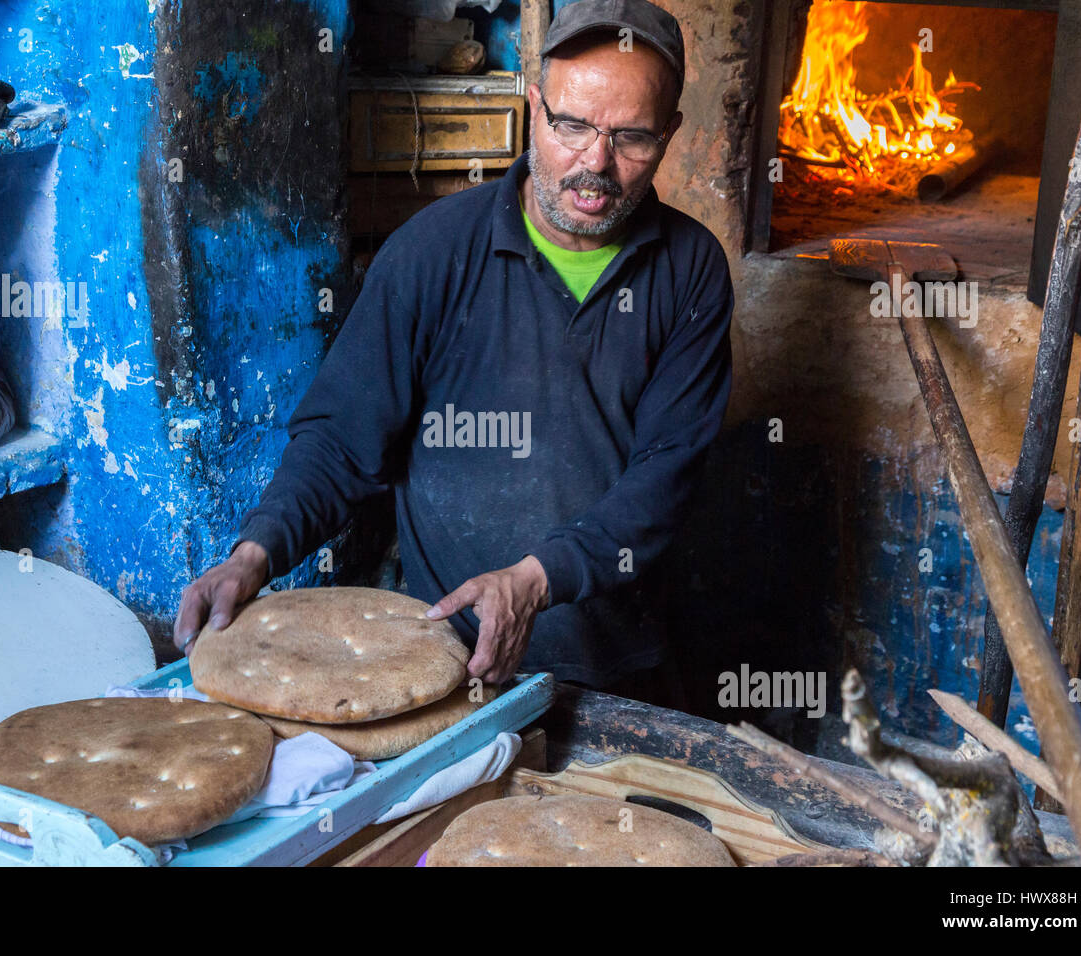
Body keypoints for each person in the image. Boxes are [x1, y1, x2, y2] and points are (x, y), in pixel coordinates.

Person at [175, 0, 733, 706]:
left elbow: (665, 477)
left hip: (617, 670)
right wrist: (255, 553)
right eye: (572, 125)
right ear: (535, 106)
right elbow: (344, 442)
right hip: (444, 667)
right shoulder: (432, 251)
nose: (595, 163)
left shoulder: (690, 270)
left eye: (632, 138)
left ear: (671, 133)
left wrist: (534, 580)